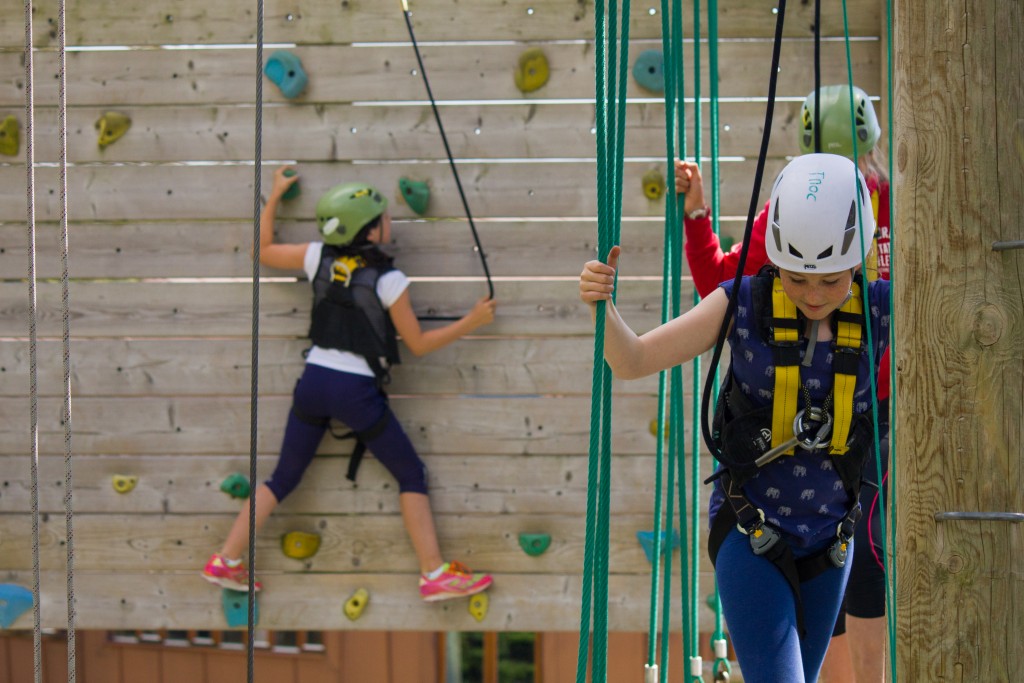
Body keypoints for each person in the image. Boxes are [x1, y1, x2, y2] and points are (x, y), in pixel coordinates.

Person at [580, 153, 890, 682]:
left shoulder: (882, 309)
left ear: (859, 262)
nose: (813, 296)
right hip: (753, 536)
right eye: (797, 278)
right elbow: (631, 361)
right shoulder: (740, 304)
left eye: (831, 281)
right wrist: (602, 307)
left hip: (831, 542)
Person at [675, 84, 891, 683]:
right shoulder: (879, 209)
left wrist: (697, 218)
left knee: (861, 550)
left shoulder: (800, 215)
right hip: (857, 427)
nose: (815, 289)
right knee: (867, 550)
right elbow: (727, 290)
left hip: (863, 425)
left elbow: (719, 276)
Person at [202, 166, 498, 602]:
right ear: (369, 230)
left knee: (282, 478)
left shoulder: (316, 256)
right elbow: (416, 343)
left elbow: (261, 250)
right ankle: (433, 572)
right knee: (410, 473)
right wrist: (470, 322)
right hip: (355, 390)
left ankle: (225, 559)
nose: (389, 223)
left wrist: (277, 196)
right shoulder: (389, 280)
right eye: (382, 218)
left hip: (314, 382)